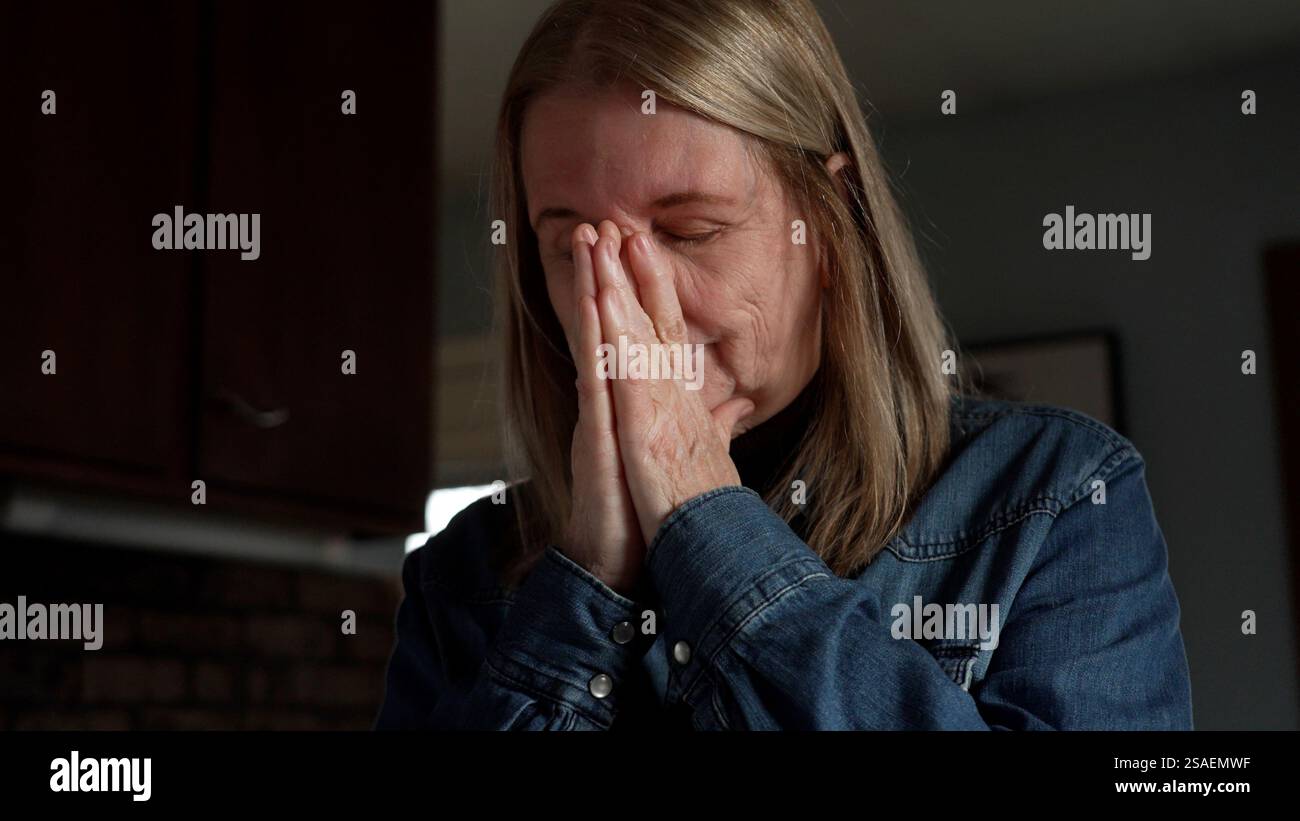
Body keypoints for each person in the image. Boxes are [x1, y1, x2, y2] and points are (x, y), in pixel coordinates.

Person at [376, 0, 1192, 730]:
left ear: (831, 226)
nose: (626, 298)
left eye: (690, 231)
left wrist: (704, 520)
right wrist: (588, 581)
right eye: (571, 247)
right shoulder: (462, 579)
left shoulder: (1056, 499)